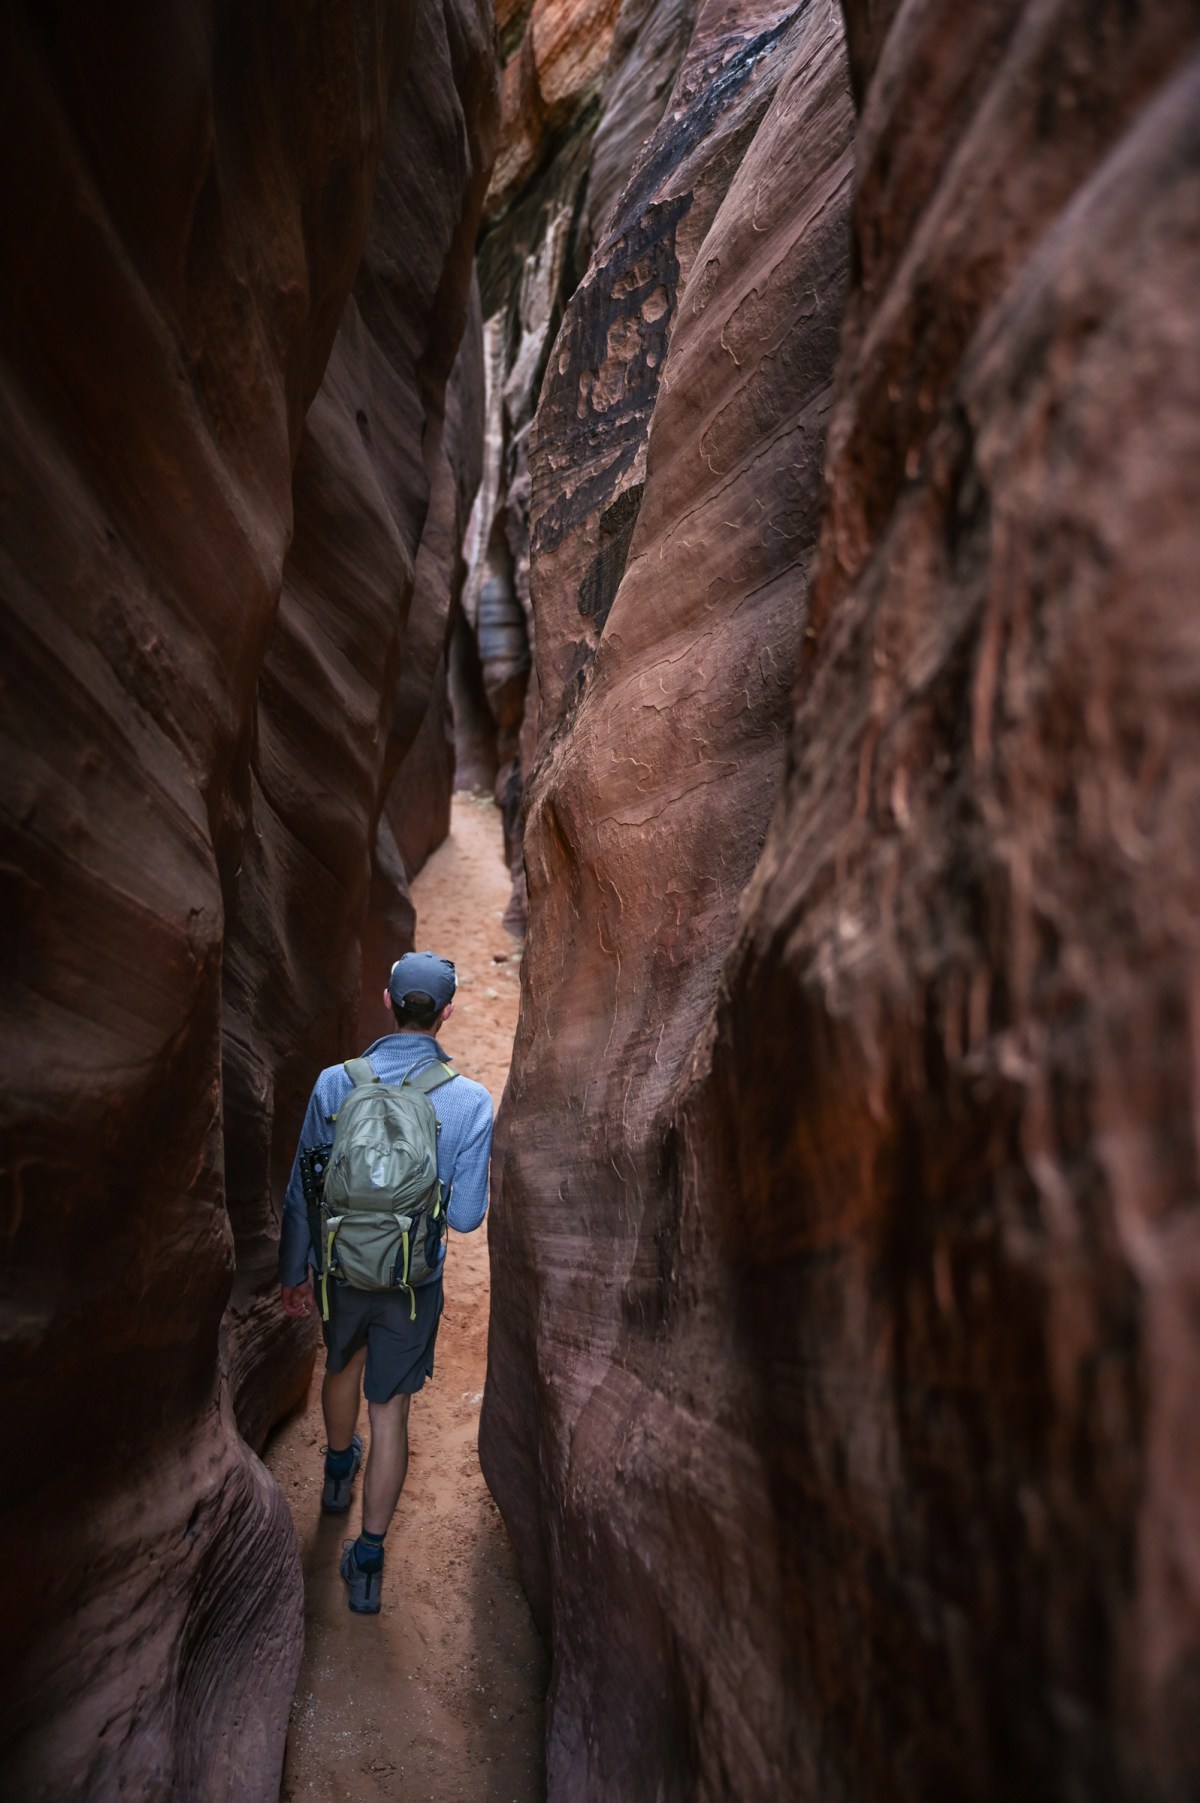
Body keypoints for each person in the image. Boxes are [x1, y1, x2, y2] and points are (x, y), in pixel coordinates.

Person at [278, 950, 493, 1614]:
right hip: (412, 1280)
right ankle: (368, 1558)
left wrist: (295, 1268)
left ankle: (338, 1470)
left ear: (387, 1000)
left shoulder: (333, 1084)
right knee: (391, 1408)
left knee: (340, 1365)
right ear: (448, 1012)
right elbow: (464, 1216)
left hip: (341, 1269)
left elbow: (300, 1193)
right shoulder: (470, 1101)